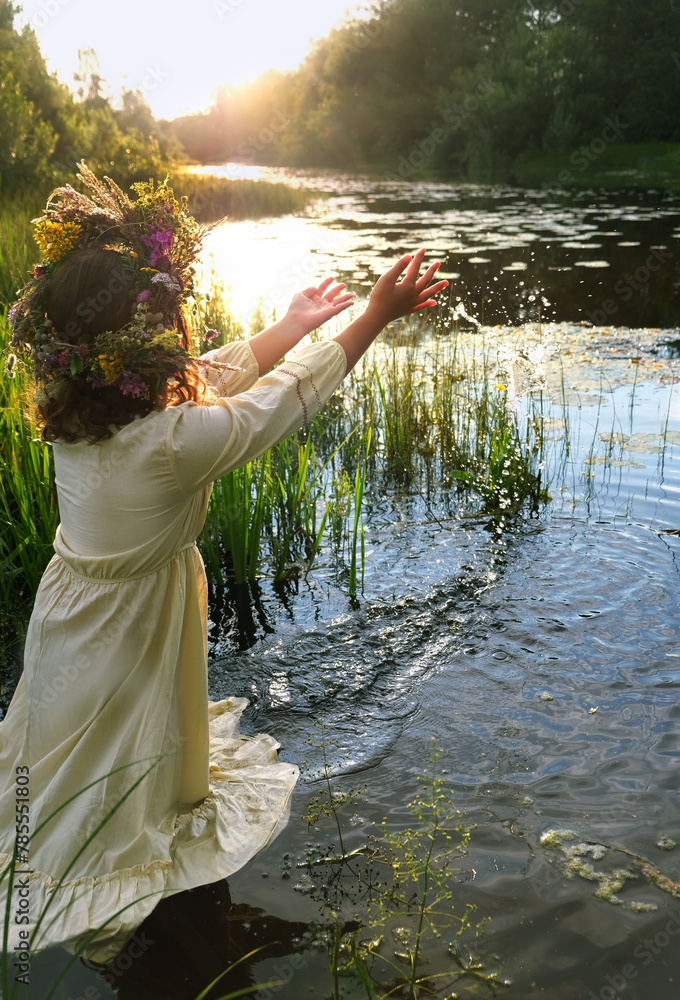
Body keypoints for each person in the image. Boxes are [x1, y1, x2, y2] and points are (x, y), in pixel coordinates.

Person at [0, 163, 447, 963]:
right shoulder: (172, 441)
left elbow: (206, 378)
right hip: (130, 620)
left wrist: (289, 324)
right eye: (167, 320)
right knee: (121, 768)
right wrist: (373, 317)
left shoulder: (82, 411)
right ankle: (149, 932)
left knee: (73, 745)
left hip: (73, 612)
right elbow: (276, 401)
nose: (181, 334)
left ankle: (112, 888)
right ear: (137, 347)